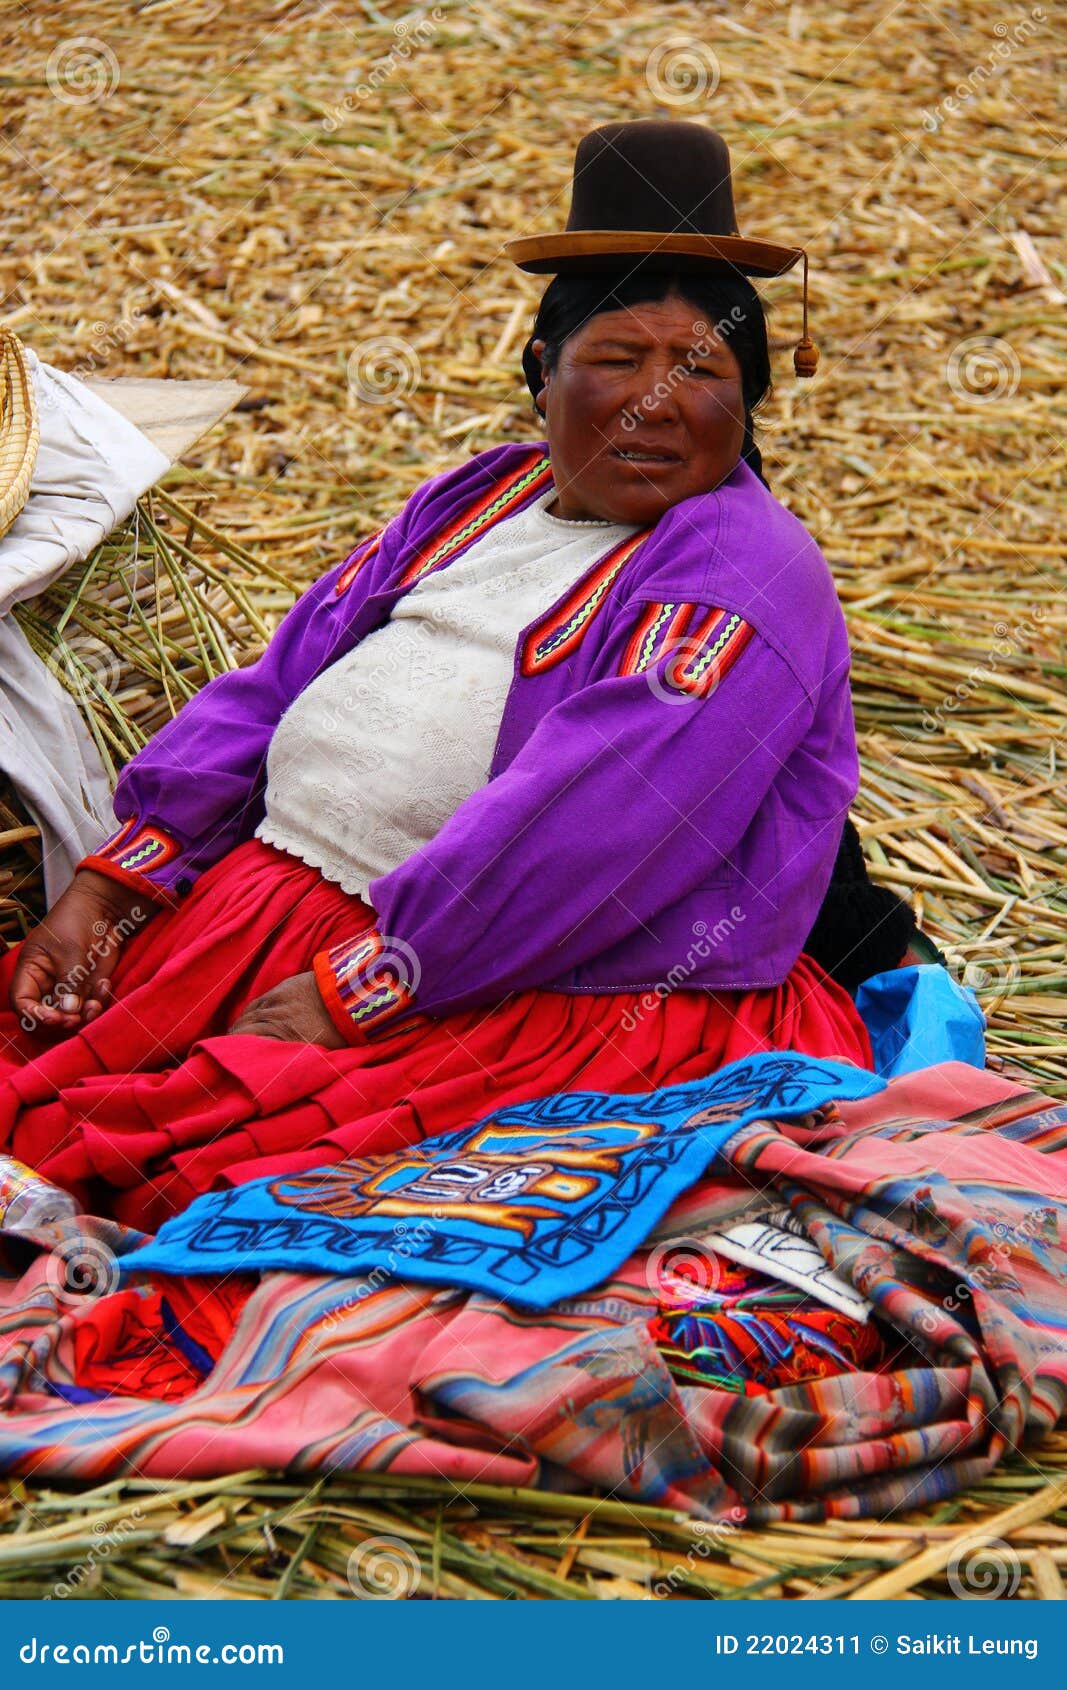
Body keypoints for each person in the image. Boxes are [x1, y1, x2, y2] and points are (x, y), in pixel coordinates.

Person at [0, 122, 894, 1233]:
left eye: (702, 368)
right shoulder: (476, 499)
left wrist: (368, 982)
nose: (653, 402)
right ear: (539, 375)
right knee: (39, 1091)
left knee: (192, 1192)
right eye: (615, 358)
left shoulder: (743, 573)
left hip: (523, 989)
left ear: (748, 402)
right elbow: (281, 680)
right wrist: (113, 887)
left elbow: (593, 827)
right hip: (275, 923)